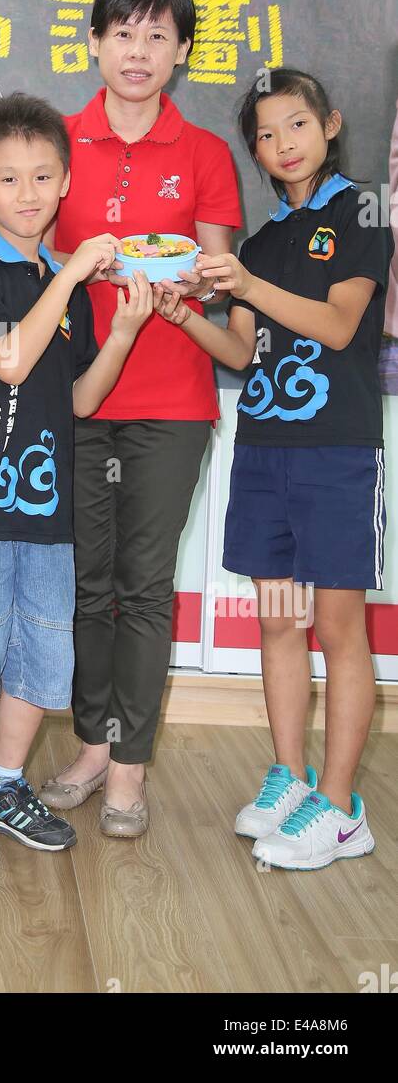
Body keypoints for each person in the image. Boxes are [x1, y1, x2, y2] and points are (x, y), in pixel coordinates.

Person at [154, 68, 392, 870]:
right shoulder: (256, 242)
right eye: (265, 132)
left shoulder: (361, 210)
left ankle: (340, 803)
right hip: (265, 455)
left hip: (336, 457)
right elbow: (244, 352)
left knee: (337, 627)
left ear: (329, 125)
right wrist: (183, 310)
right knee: (279, 622)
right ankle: (289, 778)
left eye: (297, 124)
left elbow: (336, 324)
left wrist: (248, 284)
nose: (282, 143)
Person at [0, 92, 154, 871]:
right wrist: (71, 273)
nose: (26, 193)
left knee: (42, 662)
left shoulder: (68, 286)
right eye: (8, 178)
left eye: (42, 176)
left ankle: (3, 781)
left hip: (46, 514)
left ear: (64, 183)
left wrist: (119, 329)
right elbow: (12, 361)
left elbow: (81, 398)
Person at [42, 0, 242, 835]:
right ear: (94, 42)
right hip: (77, 397)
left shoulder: (204, 155)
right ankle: (92, 741)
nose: (138, 51)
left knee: (144, 586)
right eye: (123, 32)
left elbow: (219, 279)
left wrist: (180, 287)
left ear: (182, 53)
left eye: (158, 36)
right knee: (86, 584)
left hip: (171, 399)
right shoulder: (56, 142)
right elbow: (26, 259)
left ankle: (129, 767)